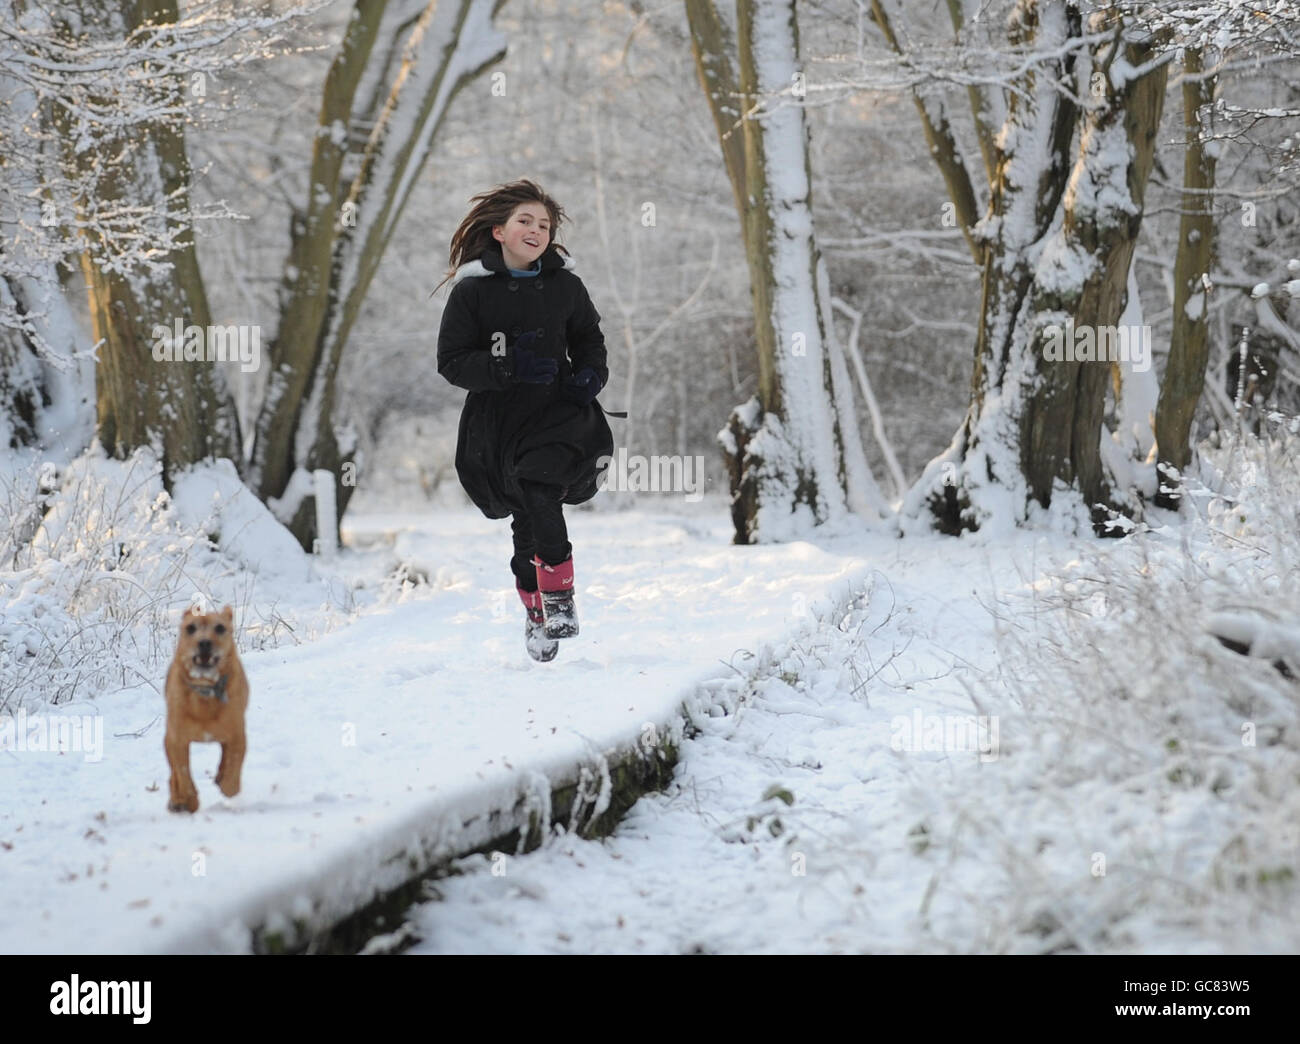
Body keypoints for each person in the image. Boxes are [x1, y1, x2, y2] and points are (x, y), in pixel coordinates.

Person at [434, 179, 616, 661]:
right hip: (499, 421)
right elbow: (451, 361)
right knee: (524, 523)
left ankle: (559, 600)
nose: (537, 230)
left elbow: (589, 339)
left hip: (560, 413)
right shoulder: (470, 293)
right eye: (526, 221)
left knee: (540, 492)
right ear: (498, 231)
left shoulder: (566, 286)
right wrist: (506, 367)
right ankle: (535, 610)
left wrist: (591, 375)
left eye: (544, 224)